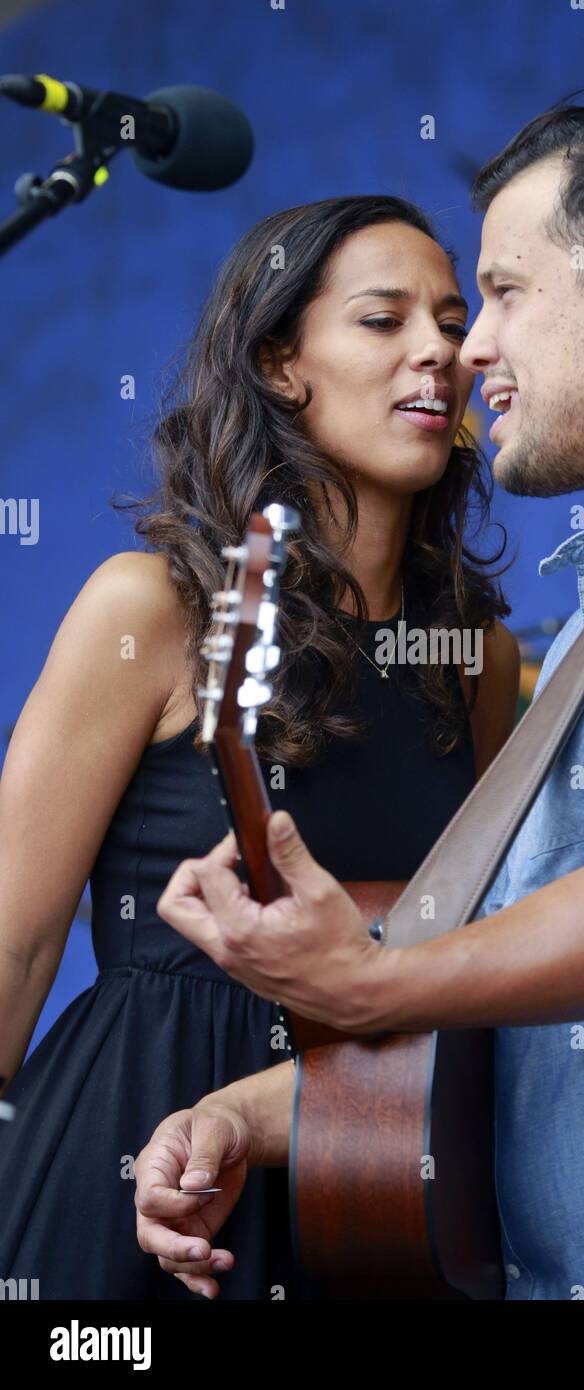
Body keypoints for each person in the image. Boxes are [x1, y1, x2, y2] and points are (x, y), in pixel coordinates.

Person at [136, 89, 584, 1303]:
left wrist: (370, 980)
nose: (471, 350)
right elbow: (492, 1008)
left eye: (505, 295)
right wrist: (240, 1120)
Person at [0, 195, 520, 1299]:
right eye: (383, 321)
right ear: (283, 363)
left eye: (451, 316)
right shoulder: (149, 607)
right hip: (128, 1138)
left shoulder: (474, 653)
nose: (438, 347)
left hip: (371, 1168)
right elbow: (14, 948)